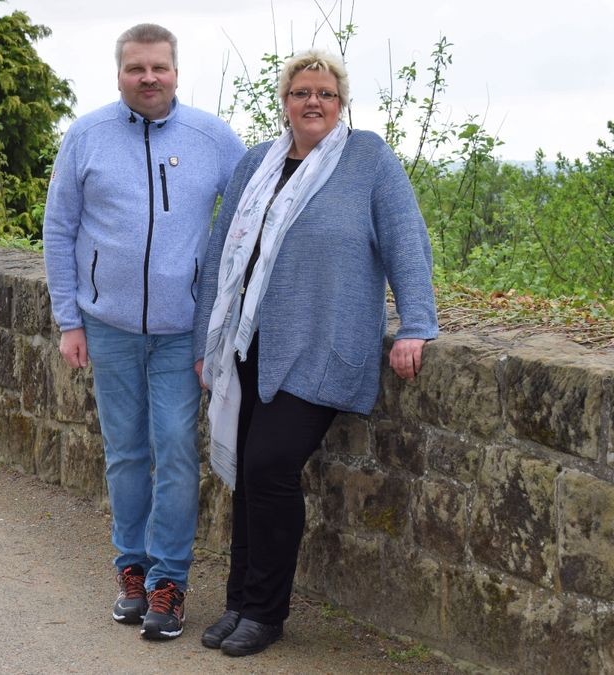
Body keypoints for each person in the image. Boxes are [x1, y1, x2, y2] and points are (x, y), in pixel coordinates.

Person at [191, 49, 438, 657]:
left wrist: (417, 324)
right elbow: (224, 253)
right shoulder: (256, 162)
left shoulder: (369, 160)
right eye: (301, 92)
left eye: (325, 93)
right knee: (246, 477)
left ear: (342, 101)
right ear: (285, 101)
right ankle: (238, 602)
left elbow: (407, 241)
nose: (313, 102)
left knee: (269, 468)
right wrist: (207, 344)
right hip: (250, 345)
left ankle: (266, 613)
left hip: (326, 346)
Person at [43, 23, 246, 641]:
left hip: (183, 333)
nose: (149, 78)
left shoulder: (213, 139)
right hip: (107, 328)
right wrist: (69, 320)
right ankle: (130, 570)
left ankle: (169, 582)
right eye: (137, 68)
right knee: (127, 454)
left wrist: (220, 324)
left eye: (159, 67)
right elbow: (59, 231)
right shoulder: (86, 137)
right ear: (121, 73)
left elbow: (246, 227)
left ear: (176, 72)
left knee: (178, 455)